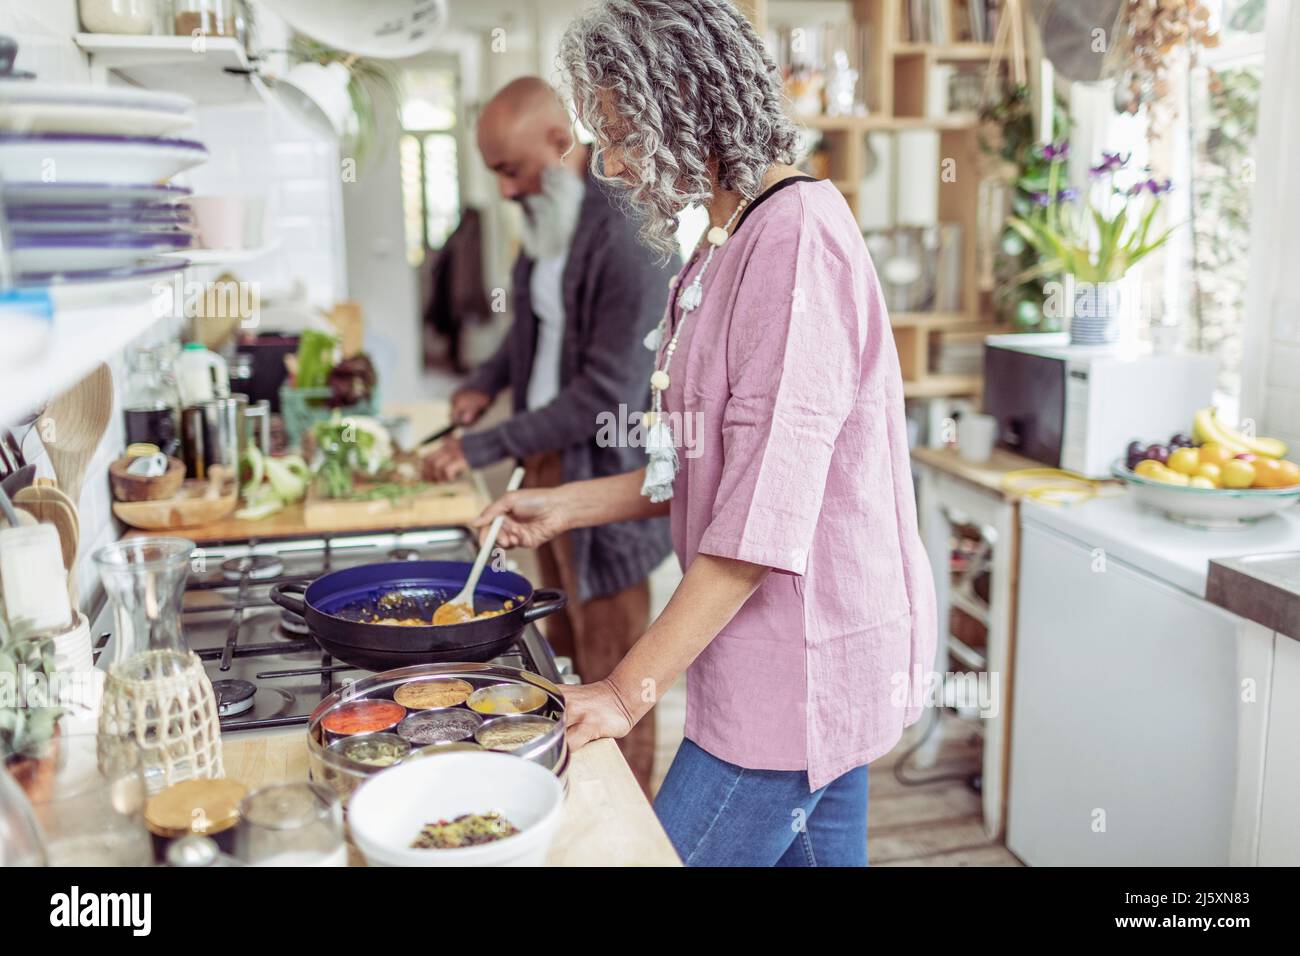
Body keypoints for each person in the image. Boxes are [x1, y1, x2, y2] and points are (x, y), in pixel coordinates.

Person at [474, 0, 938, 866]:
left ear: (684, 102)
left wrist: (623, 690)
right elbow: (707, 465)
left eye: (620, 132)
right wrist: (571, 505)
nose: (609, 163)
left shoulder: (794, 242)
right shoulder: (728, 239)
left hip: (797, 669)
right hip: (789, 662)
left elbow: (757, 524)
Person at [423, 76, 675, 795]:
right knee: (558, 650)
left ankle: (629, 822)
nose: (503, 190)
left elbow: (604, 395)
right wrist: (486, 384)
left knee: (616, 671)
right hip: (545, 469)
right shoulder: (547, 216)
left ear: (560, 143)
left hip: (607, 481)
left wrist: (480, 447)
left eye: (510, 169)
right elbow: (528, 328)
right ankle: (570, 797)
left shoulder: (629, 236)